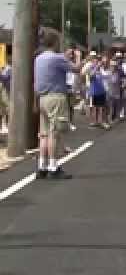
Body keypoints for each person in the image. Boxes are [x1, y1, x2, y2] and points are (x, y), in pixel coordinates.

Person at [34, 30, 77, 179]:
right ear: (55, 42)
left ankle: (41, 166)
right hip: (55, 97)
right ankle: (53, 167)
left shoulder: (39, 58)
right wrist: (78, 57)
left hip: (42, 97)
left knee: (44, 134)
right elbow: (76, 69)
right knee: (54, 133)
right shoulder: (57, 58)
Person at [0, 62, 11, 136]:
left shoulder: (8, 69)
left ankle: (5, 125)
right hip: (3, 89)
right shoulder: (6, 69)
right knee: (4, 108)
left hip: (4, 89)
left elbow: (5, 78)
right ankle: (4, 125)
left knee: (5, 108)